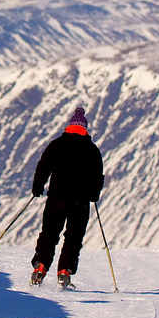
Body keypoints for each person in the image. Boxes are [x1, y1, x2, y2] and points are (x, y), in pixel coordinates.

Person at [30, 106, 105, 288]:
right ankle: (65, 271)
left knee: (49, 233)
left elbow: (43, 166)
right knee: (73, 237)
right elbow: (97, 175)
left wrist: (37, 188)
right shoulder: (91, 149)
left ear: (69, 126)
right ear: (85, 129)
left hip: (56, 198)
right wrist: (93, 195)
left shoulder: (56, 145)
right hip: (80, 202)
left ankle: (40, 267)